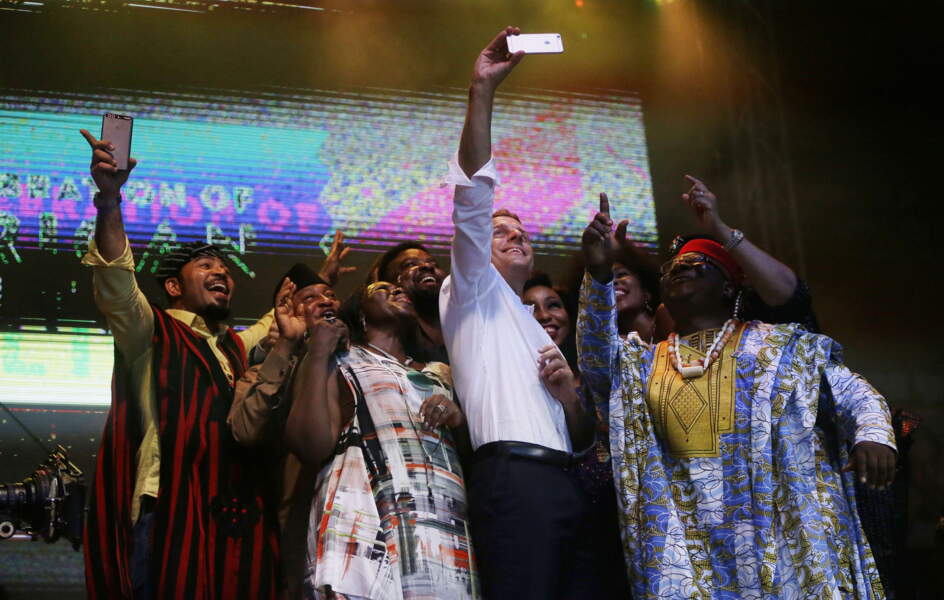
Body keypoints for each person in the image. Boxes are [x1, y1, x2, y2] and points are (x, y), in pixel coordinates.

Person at [578, 193, 897, 599]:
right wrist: (599, 272)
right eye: (674, 267)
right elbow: (593, 357)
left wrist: (874, 434)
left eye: (698, 265)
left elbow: (853, 391)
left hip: (775, 529)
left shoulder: (781, 347)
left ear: (728, 287)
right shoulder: (640, 363)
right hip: (684, 543)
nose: (683, 269)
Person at [78, 129, 281, 599]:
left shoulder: (231, 345)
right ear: (174, 287)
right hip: (167, 513)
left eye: (226, 271)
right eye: (206, 267)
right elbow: (114, 280)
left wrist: (318, 282)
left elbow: (274, 322)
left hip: (229, 516)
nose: (222, 274)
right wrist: (109, 202)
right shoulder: (149, 330)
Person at [439, 27, 594, 599]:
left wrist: (569, 395)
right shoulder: (472, 287)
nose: (514, 236)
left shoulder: (531, 322)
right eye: (500, 231)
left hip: (565, 481)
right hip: (514, 478)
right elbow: (473, 197)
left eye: (522, 231)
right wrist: (482, 92)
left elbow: (581, 437)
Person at [287, 281, 477, 598]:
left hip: (441, 524)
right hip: (365, 514)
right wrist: (319, 352)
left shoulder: (441, 372)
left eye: (402, 290)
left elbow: (478, 458)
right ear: (361, 314)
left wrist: (458, 419)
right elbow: (310, 444)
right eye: (381, 289)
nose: (398, 291)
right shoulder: (342, 360)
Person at [227, 264, 341, 599]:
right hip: (303, 523)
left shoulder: (362, 362)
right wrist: (286, 347)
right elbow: (245, 430)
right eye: (310, 298)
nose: (324, 301)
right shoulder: (267, 371)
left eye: (330, 295)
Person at [522, 273, 632, 597]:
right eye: (530, 308)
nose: (544, 315)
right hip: (555, 521)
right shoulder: (518, 385)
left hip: (612, 518)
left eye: (553, 305)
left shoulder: (600, 374)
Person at [371, 241, 449, 363]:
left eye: (433, 263)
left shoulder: (466, 326)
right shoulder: (393, 343)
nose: (427, 266)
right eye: (409, 264)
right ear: (392, 285)